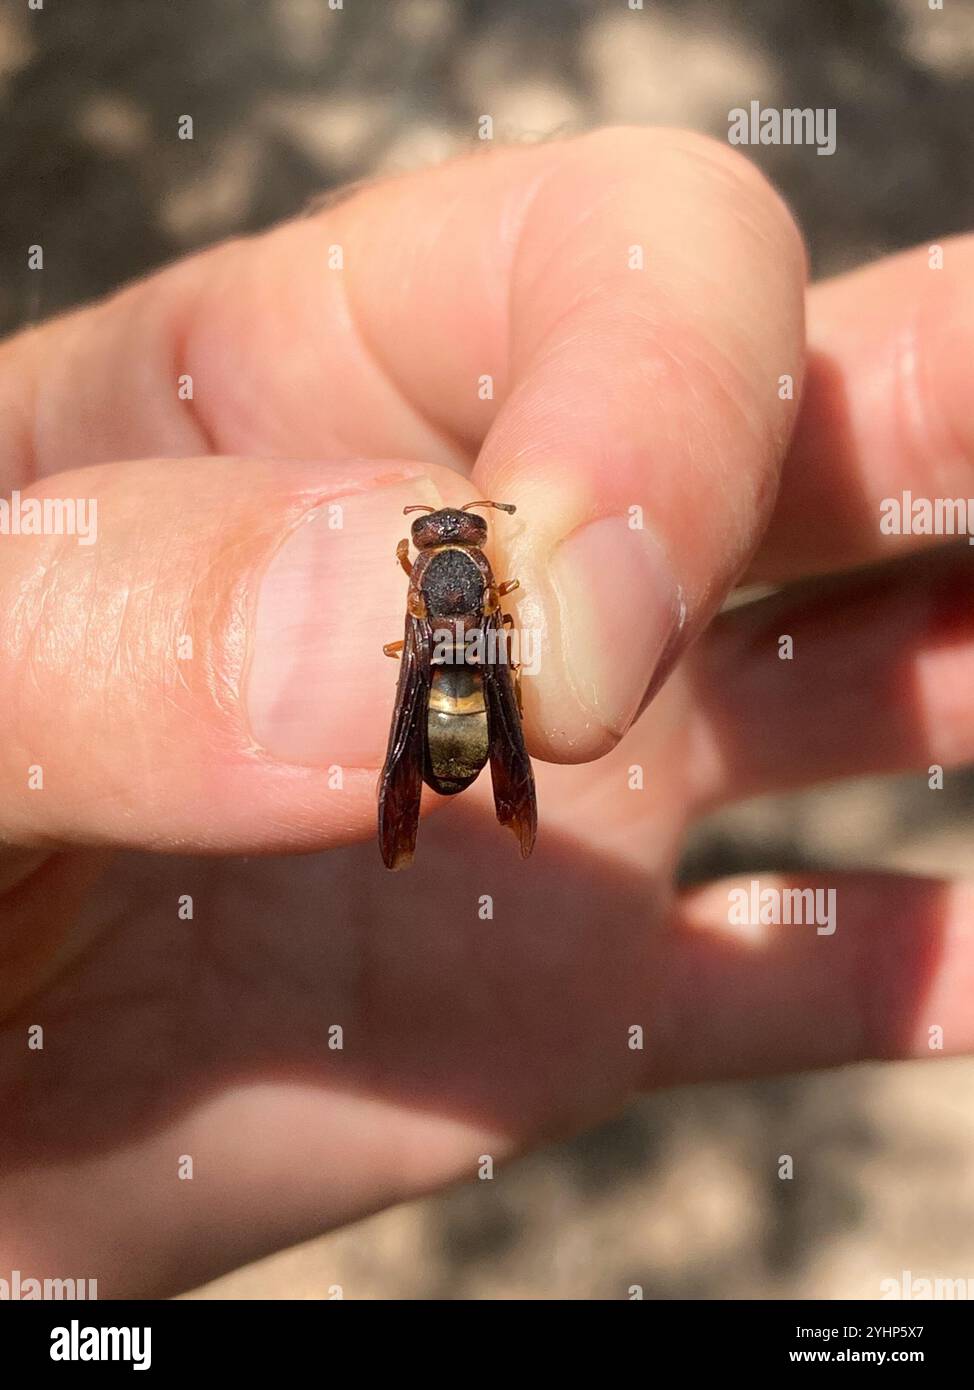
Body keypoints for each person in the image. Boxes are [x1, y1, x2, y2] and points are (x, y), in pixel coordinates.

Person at [0, 128, 970, 1297]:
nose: (447, 545)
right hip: (461, 725)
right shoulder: (479, 601)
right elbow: (475, 653)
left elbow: (438, 658)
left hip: (450, 725)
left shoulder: (429, 609)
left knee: (451, 696)